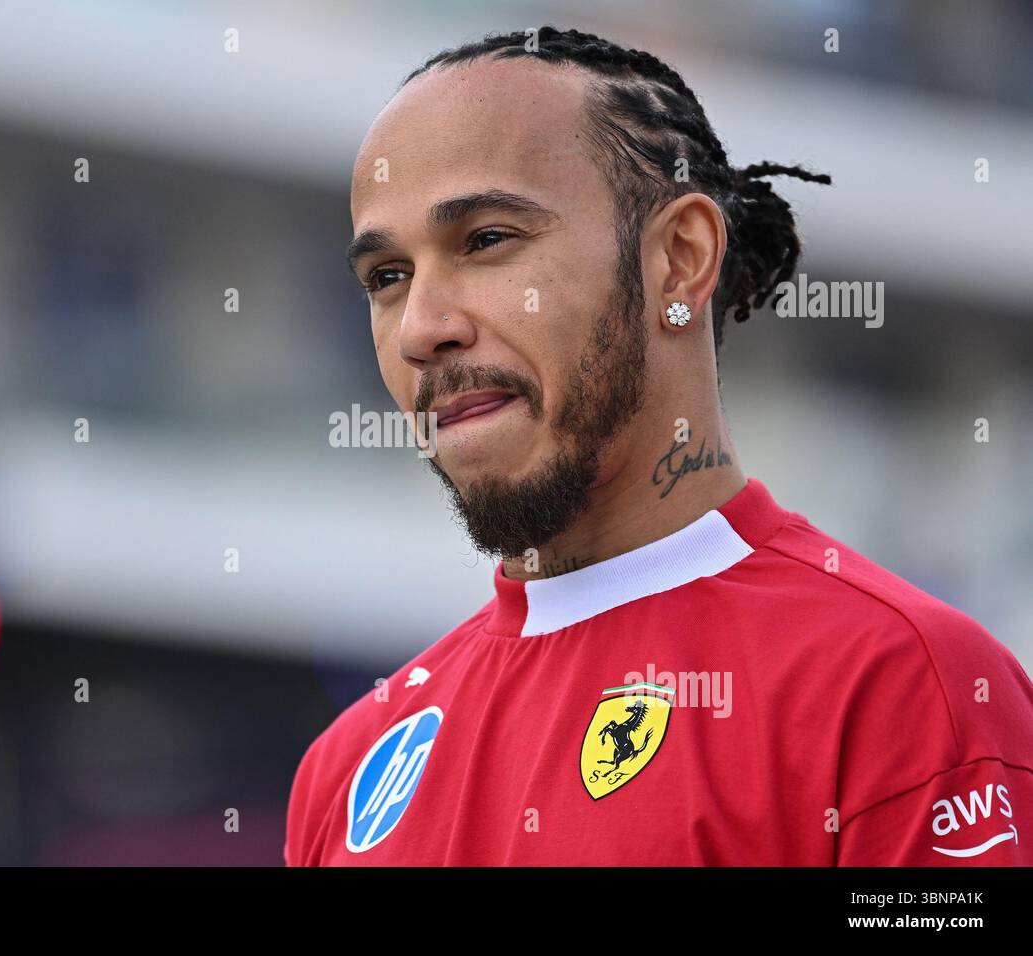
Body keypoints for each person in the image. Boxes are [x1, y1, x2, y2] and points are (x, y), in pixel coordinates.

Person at [285, 27, 1033, 865]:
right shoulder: (349, 771)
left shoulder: (897, 680)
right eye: (387, 278)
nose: (422, 328)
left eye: (487, 240)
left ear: (680, 259)